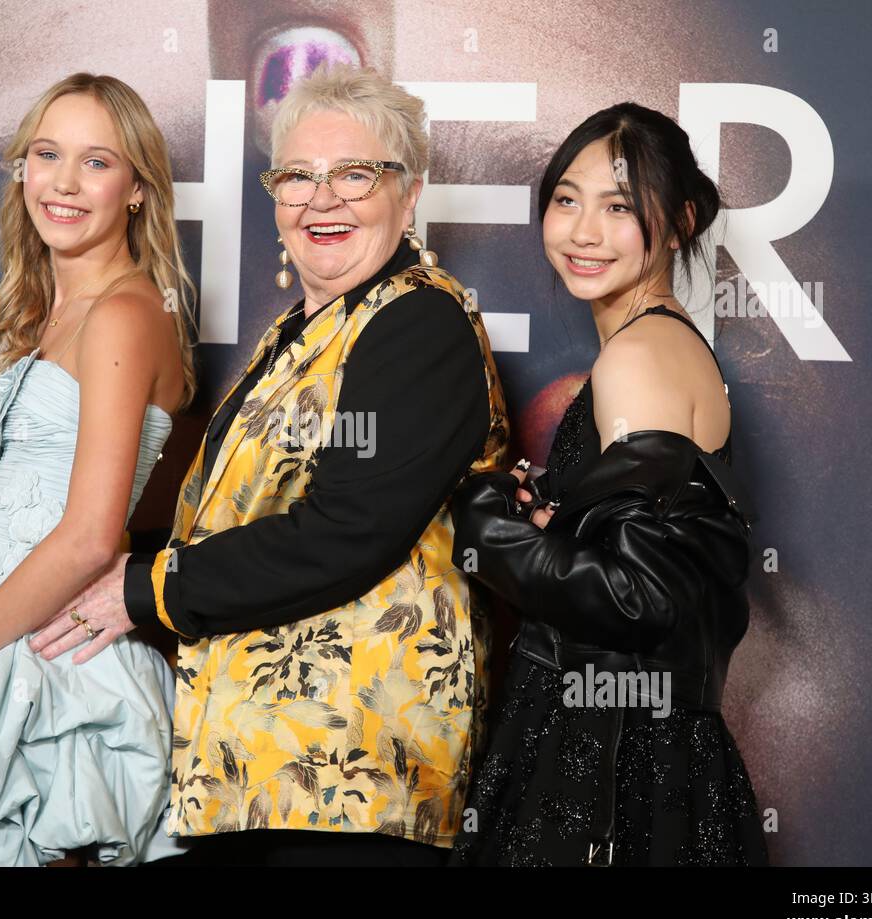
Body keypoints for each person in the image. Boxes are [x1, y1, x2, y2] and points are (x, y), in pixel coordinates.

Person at [28, 63, 510, 865]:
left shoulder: (417, 321)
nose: (322, 199)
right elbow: (238, 520)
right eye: (297, 176)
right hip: (253, 777)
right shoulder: (298, 330)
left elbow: (347, 530)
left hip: (345, 786)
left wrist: (143, 588)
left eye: (355, 174)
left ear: (410, 192)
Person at [0, 73, 196, 866]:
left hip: (57, 662)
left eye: (97, 161)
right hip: (5, 631)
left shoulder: (123, 312)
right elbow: (24, 501)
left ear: (138, 192)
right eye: (48, 154)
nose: (64, 181)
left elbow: (89, 538)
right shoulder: (50, 310)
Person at [448, 103, 768, 866]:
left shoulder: (640, 356)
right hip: (625, 744)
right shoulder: (653, 343)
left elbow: (641, 596)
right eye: (567, 198)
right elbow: (662, 555)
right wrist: (559, 524)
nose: (583, 231)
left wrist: (483, 520)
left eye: (619, 207)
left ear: (682, 222)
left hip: (608, 764)